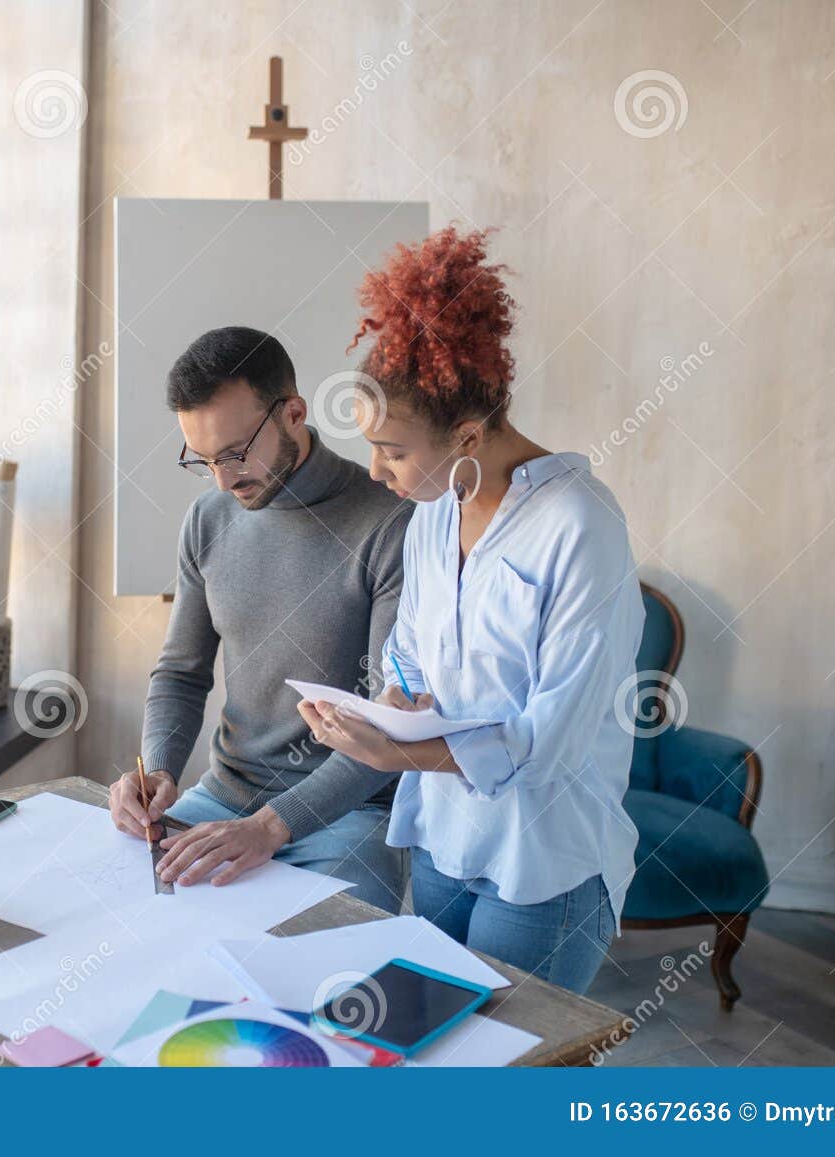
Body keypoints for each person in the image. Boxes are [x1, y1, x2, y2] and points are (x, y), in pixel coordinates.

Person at [298, 227, 645, 993]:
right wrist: (389, 708)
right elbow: (412, 656)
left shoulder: (582, 527)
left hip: (543, 861)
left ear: (466, 434)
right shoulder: (432, 513)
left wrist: (398, 756)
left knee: (506, 1072)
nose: (375, 470)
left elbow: (550, 742)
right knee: (432, 1052)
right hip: (443, 841)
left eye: (392, 449)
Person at [107, 326, 412, 912]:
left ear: (293, 413)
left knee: (328, 966)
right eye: (203, 461)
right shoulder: (209, 518)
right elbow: (181, 672)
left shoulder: (388, 524)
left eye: (235, 454)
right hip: (222, 798)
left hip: (347, 817)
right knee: (114, 908)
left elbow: (385, 726)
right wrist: (159, 768)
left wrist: (273, 826)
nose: (223, 480)